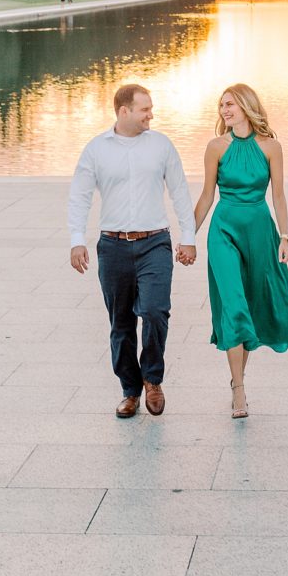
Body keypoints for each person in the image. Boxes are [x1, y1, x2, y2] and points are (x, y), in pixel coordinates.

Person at [68, 83, 196, 419]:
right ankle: (129, 390)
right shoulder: (96, 149)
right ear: (124, 111)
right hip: (112, 246)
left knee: (155, 311)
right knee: (120, 323)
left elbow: (180, 191)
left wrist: (189, 237)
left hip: (155, 241)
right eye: (145, 109)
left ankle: (152, 379)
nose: (151, 115)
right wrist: (76, 239)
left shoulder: (161, 145)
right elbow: (80, 195)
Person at [193, 83, 288, 418]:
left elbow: (279, 196)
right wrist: (186, 236)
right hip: (224, 230)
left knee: (251, 308)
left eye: (230, 104)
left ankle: (236, 378)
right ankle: (239, 390)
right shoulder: (216, 147)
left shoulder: (271, 147)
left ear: (246, 106)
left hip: (259, 232)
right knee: (235, 306)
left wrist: (285, 237)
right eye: (221, 105)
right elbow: (207, 196)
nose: (224, 110)